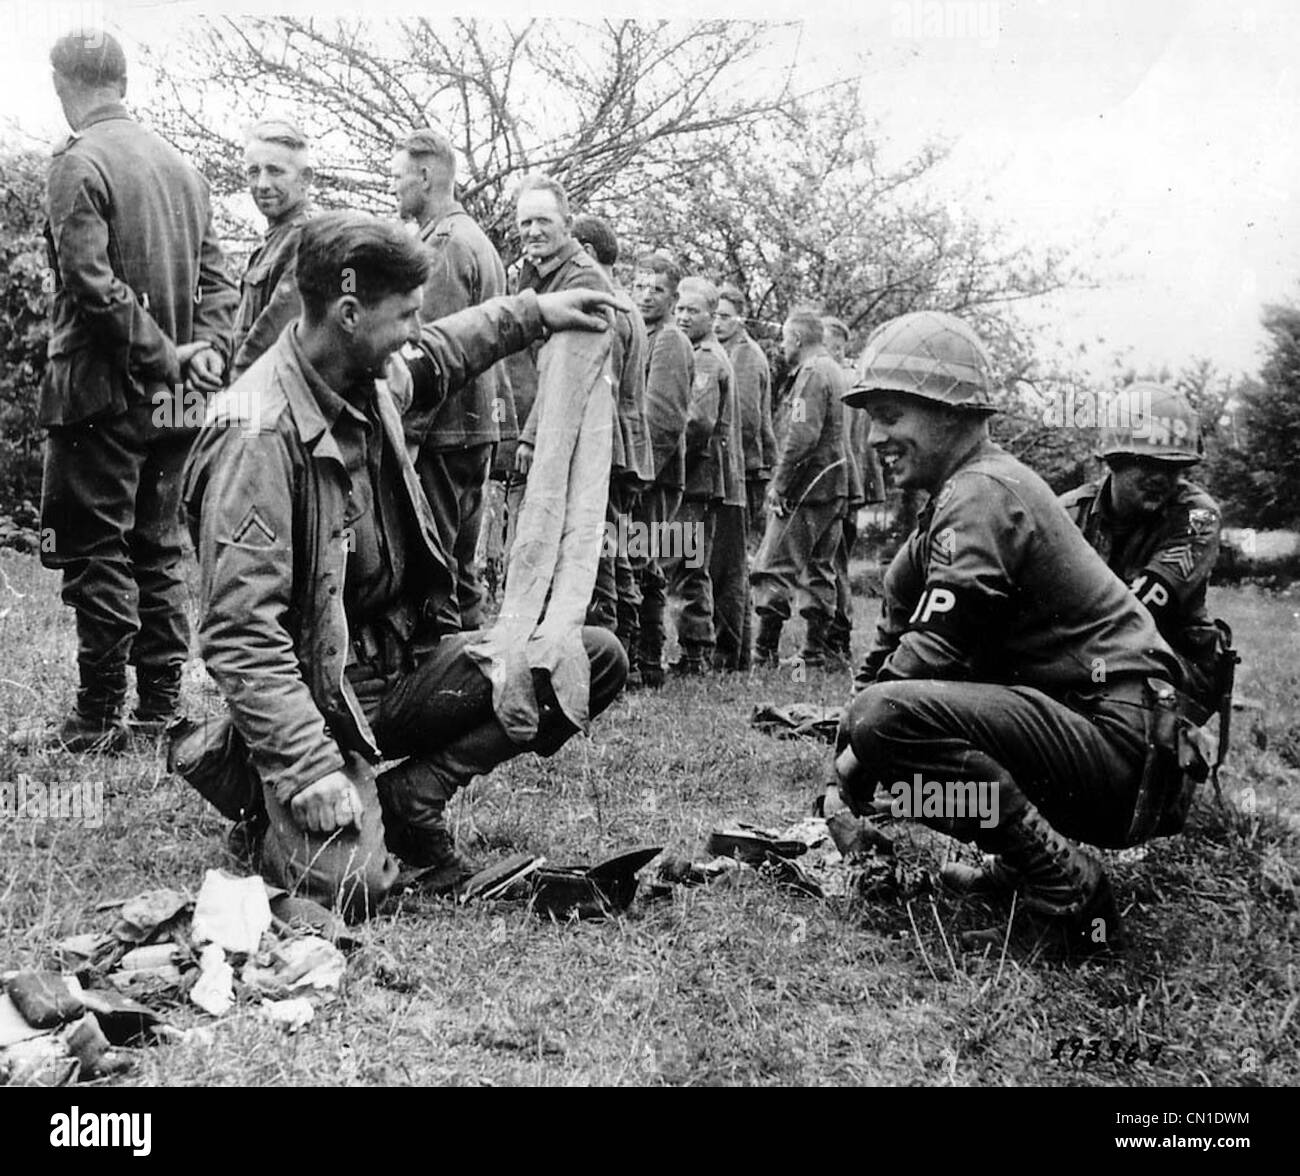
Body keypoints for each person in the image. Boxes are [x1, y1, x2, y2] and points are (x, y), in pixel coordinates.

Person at [177, 211, 629, 919]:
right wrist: (306, 765)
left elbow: (446, 350)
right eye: (406, 314)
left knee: (587, 658)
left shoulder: (369, 375)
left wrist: (536, 311)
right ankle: (278, 807)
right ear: (350, 313)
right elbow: (240, 633)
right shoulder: (256, 433)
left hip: (398, 675)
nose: (417, 329)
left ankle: (410, 797)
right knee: (352, 888)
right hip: (320, 708)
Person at [832, 311, 1203, 951]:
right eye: (871, 418)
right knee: (876, 738)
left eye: (891, 415)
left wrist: (855, 742)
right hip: (1104, 744)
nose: (874, 437)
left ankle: (1063, 880)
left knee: (884, 722)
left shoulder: (982, 489)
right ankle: (1018, 862)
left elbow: (931, 652)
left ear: (950, 413)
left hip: (1123, 744)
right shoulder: (956, 503)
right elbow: (895, 644)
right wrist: (845, 771)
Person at [16, 30, 237, 753]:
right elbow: (218, 282)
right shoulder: (182, 168)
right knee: (159, 544)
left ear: (61, 83)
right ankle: (160, 708)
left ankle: (99, 711)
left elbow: (88, 282)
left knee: (94, 545)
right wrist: (200, 356)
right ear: (122, 79)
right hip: (173, 401)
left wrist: (164, 354)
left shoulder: (78, 163)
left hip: (99, 393)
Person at [392, 128, 513, 631]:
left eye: (398, 177)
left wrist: (408, 439)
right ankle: (475, 677)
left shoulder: (442, 247)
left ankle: (446, 685)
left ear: (425, 176)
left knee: (434, 568)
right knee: (464, 573)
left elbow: (431, 358)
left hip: (442, 434)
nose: (394, 189)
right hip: (474, 429)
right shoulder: (477, 239)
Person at [1059, 383, 1231, 722]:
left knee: (1097, 698)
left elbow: (1140, 611)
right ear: (1114, 462)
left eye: (1172, 467)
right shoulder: (1067, 513)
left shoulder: (1197, 516)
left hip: (1172, 662)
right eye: (1146, 463)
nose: (1160, 477)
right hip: (1090, 654)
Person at [571, 213, 653, 650]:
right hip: (625, 443)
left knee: (600, 548)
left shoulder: (603, 305)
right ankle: (629, 649)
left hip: (606, 442)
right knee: (616, 546)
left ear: (586, 252)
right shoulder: (626, 305)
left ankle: (612, 647)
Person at [750, 309, 849, 669]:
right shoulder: (835, 371)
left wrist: (780, 483)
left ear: (795, 339)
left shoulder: (811, 375)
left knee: (774, 565)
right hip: (834, 487)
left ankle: (764, 652)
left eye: (784, 340)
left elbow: (802, 436)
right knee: (820, 569)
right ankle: (813, 653)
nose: (782, 347)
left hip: (807, 489)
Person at [664, 276, 741, 675]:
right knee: (688, 564)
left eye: (692, 310)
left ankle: (695, 653)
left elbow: (698, 421)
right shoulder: (698, 351)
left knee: (685, 564)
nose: (682, 316)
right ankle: (695, 651)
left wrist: (666, 460)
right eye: (679, 308)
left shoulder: (707, 358)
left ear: (711, 316)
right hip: (697, 478)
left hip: (696, 478)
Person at [629, 253, 695, 687]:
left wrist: (639, 474)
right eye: (639, 287)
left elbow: (664, 416)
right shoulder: (646, 335)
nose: (646, 296)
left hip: (653, 476)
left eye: (656, 289)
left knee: (636, 561)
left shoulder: (669, 341)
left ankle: (641, 660)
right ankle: (646, 661)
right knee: (641, 560)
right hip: (647, 472)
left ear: (673, 297)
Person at [713, 285, 775, 670]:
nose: (718, 322)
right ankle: (733, 651)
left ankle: (732, 654)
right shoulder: (730, 352)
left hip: (745, 470)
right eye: (714, 315)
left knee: (731, 565)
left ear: (740, 318)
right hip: (736, 468)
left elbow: (747, 420)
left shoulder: (746, 356)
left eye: (724, 315)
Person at [228, 118, 313, 381]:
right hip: (250, 389)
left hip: (262, 394)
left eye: (275, 171)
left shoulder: (304, 243)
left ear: (305, 179)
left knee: (165, 415)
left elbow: (273, 338)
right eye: (254, 172)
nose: (262, 184)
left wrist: (227, 395)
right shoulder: (274, 243)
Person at [824, 315, 885, 664]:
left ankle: (836, 640)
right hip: (854, 486)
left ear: (835, 346)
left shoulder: (840, 382)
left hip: (842, 486)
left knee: (833, 563)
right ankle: (837, 638)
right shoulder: (856, 379)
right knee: (838, 562)